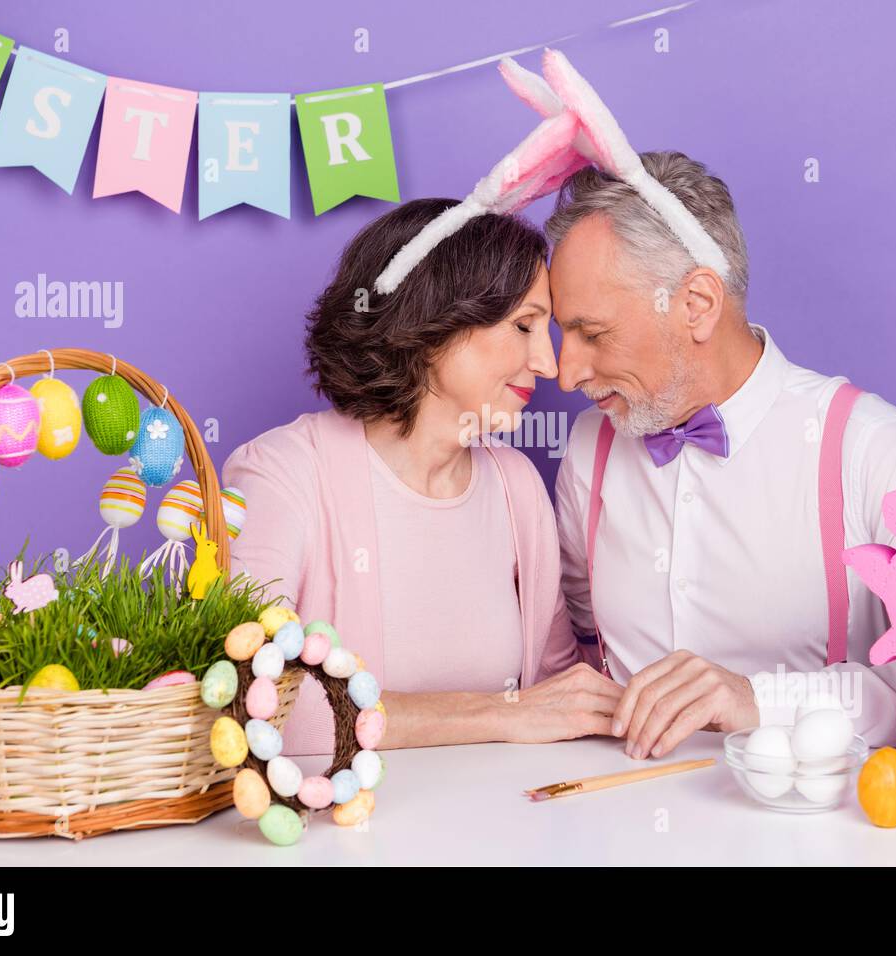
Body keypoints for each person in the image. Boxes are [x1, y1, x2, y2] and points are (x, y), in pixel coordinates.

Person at [549, 150, 896, 761]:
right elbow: (568, 646)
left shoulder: (867, 446)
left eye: (593, 333)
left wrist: (759, 700)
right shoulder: (592, 448)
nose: (566, 372)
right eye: (565, 333)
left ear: (696, 304)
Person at [222, 199, 618, 755]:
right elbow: (251, 701)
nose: (548, 364)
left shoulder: (516, 487)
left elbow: (552, 694)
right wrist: (502, 712)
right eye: (524, 326)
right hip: (344, 835)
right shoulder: (281, 475)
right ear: (432, 325)